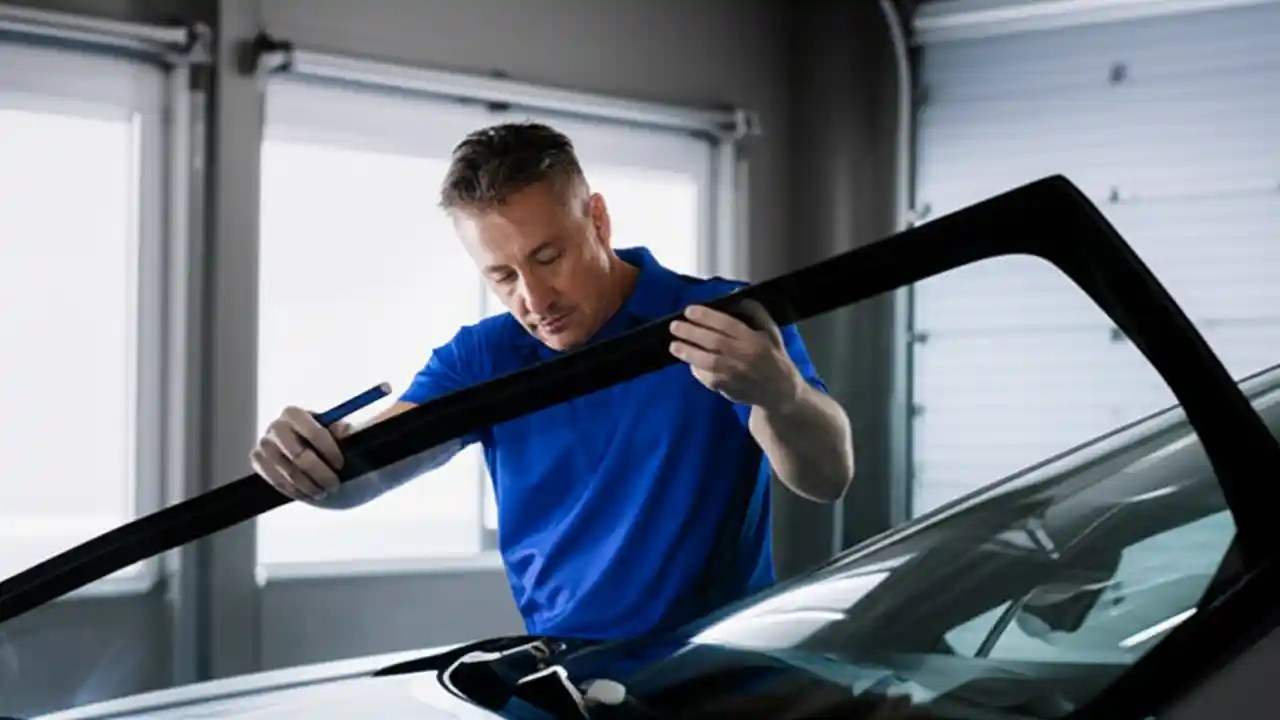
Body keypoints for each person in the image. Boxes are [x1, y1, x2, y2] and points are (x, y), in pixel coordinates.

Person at [249, 121, 855, 640]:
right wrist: (308, 461)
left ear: (597, 220)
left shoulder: (718, 318)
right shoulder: (484, 357)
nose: (534, 299)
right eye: (502, 275)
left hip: (718, 675)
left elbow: (828, 478)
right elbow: (368, 474)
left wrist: (781, 394)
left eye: (547, 258)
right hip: (569, 679)